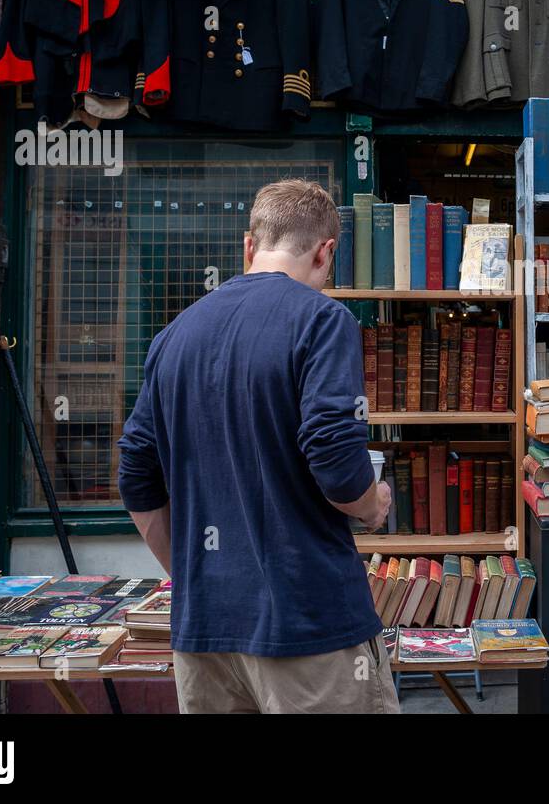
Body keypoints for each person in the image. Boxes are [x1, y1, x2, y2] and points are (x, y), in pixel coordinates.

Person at [117, 178, 398, 714]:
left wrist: (189, 568)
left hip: (204, 631)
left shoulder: (174, 335)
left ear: (249, 246)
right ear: (326, 252)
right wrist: (373, 503)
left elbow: (135, 470)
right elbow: (337, 460)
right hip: (309, 624)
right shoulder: (323, 319)